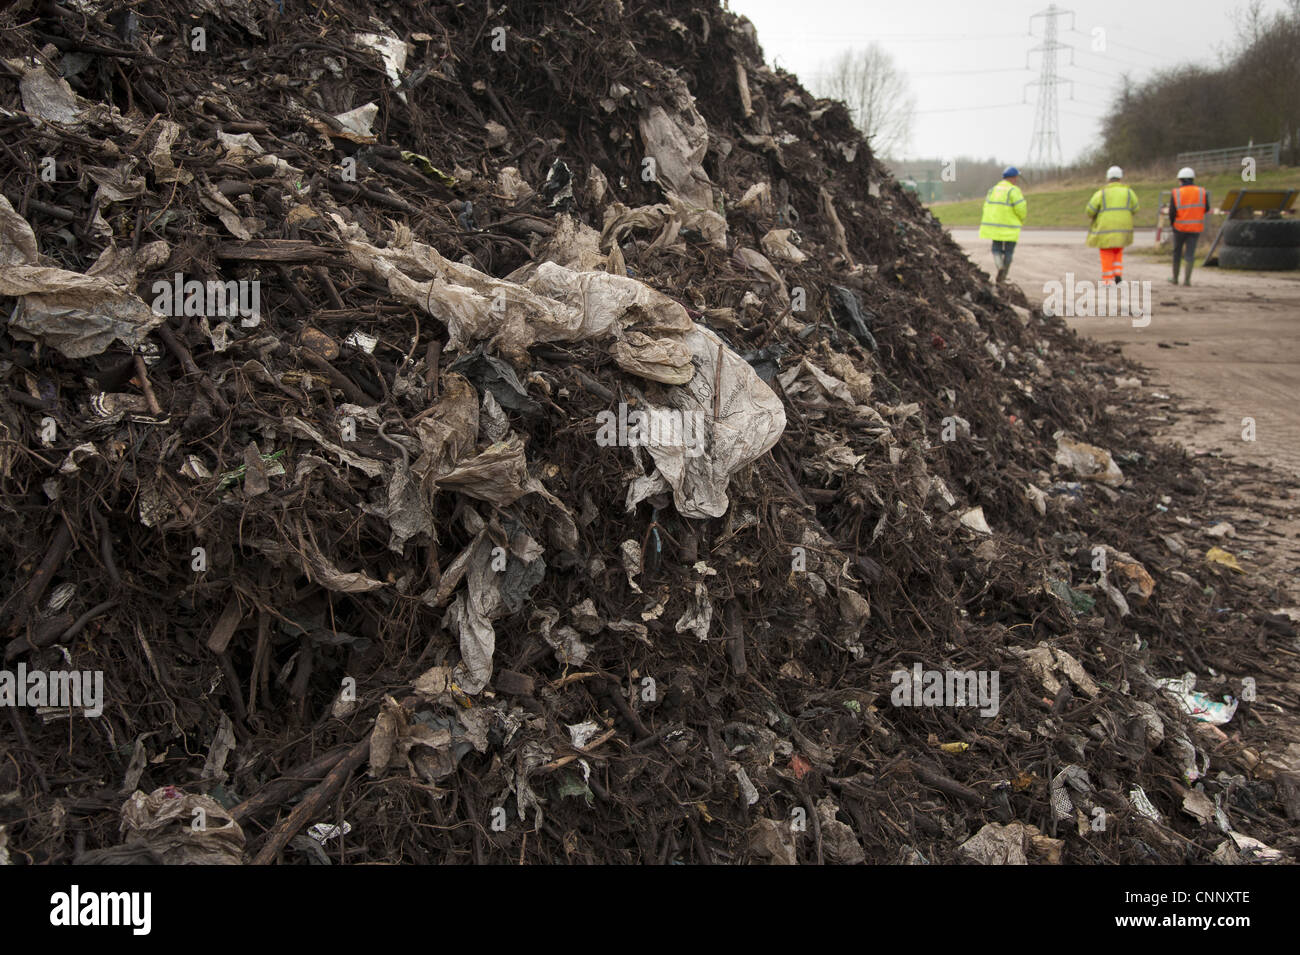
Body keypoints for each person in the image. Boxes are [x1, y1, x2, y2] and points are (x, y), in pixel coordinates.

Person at [1086, 166, 1139, 284]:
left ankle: (1107, 280)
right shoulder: (1129, 192)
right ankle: (1118, 275)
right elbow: (1136, 208)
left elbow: (1090, 210)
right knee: (1117, 251)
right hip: (1123, 229)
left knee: (1106, 253)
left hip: (1105, 229)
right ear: (1120, 178)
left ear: (1108, 178)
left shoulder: (1102, 193)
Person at [979, 166, 1027, 284]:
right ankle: (1003, 276)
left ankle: (999, 266)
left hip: (995, 227)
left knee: (996, 249)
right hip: (1010, 228)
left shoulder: (993, 190)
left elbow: (986, 207)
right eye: (1016, 177)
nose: (1017, 180)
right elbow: (1021, 208)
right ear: (1013, 178)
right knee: (1009, 252)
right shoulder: (1013, 190)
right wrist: (1021, 219)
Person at [1169, 166, 1209, 286]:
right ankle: (1187, 280)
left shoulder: (1176, 193)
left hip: (1179, 228)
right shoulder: (1202, 191)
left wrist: (1173, 224)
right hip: (1195, 228)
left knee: (1177, 253)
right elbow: (1206, 208)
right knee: (1190, 254)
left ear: (1180, 180)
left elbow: (1172, 212)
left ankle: (1175, 278)